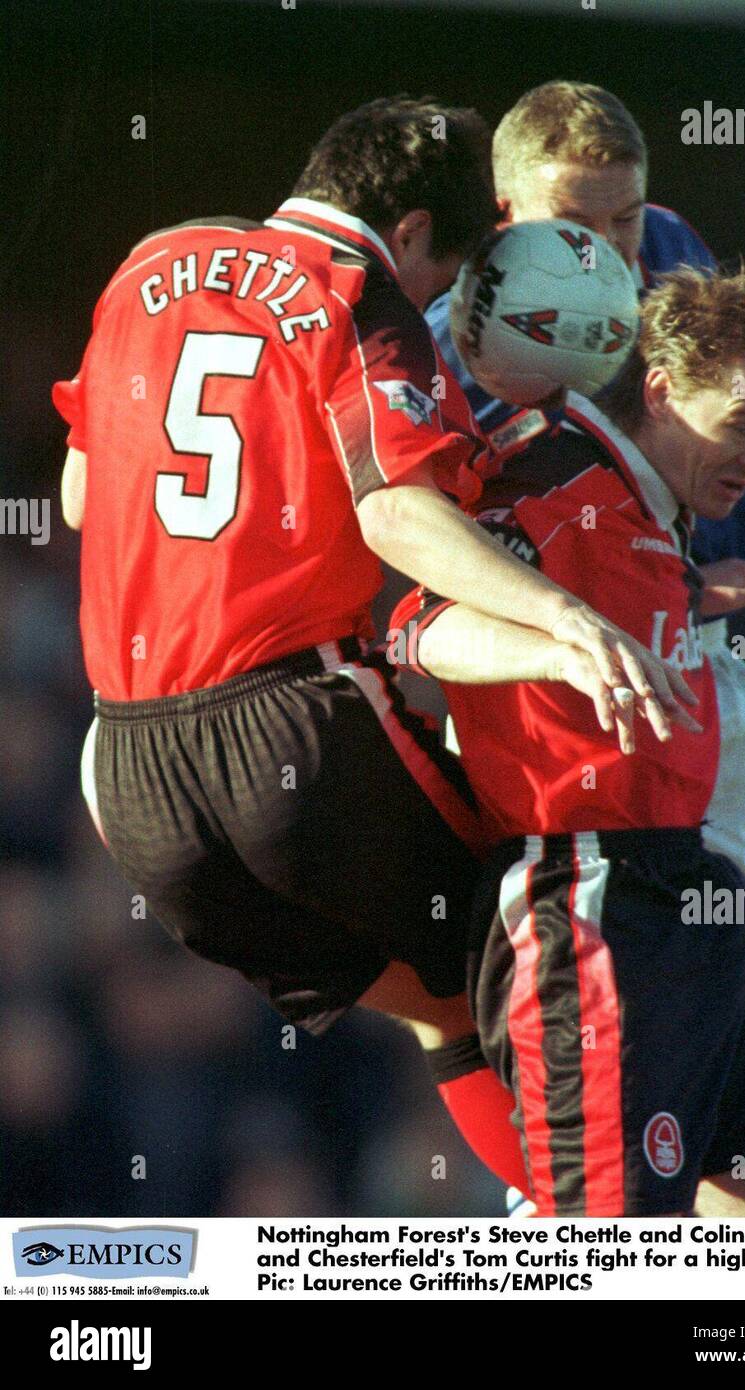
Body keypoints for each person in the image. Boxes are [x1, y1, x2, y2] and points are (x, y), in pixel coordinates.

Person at [53, 99, 693, 1114]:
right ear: (408, 235)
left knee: (450, 1008)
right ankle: (610, 1251)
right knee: (551, 952)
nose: (442, 303)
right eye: (444, 271)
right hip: (289, 743)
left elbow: (83, 499)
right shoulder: (358, 294)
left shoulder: (148, 264)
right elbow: (398, 518)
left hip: (129, 778)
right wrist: (566, 620)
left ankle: (550, 1219)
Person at [392, 259, 745, 1217]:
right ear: (659, 390)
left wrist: (675, 592)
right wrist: (564, 644)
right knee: (606, 1252)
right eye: (742, 425)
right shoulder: (553, 473)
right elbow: (419, 628)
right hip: (595, 906)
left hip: (698, 920)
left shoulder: (656, 514)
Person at [427, 80, 745, 893]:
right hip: (557, 702)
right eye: (575, 224)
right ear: (504, 212)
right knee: (587, 963)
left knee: (726, 941)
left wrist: (691, 579)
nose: (611, 252)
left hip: (698, 657)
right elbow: (429, 565)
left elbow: (726, 424)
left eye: (624, 217)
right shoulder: (451, 350)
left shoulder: (674, 247)